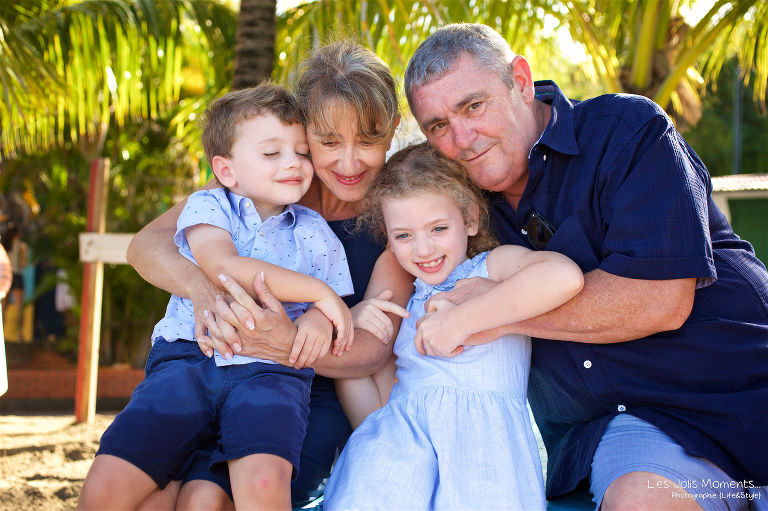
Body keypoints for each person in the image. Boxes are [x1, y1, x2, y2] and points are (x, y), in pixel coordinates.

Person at [400, 23, 768, 510]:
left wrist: (485, 312)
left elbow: (659, 300)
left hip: (748, 386)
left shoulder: (624, 130)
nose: (463, 138)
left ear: (521, 81)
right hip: (639, 431)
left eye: (473, 106)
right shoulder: (448, 208)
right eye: (438, 126)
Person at [124, 41, 412, 510]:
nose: (349, 162)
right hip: (210, 370)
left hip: (309, 393)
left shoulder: (397, 214)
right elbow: (146, 245)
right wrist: (203, 287)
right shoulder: (270, 181)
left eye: (369, 140)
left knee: (226, 501)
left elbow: (370, 351)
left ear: (393, 130)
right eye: (330, 142)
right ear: (304, 132)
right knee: (157, 496)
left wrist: (283, 343)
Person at [80, 83, 357, 510]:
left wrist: (319, 317)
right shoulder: (209, 207)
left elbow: (331, 310)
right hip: (189, 359)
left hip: (272, 374)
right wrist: (317, 292)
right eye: (271, 153)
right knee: (109, 480)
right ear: (226, 170)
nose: (293, 163)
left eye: (302, 153)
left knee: (264, 485)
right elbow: (222, 266)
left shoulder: (316, 232)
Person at [322, 143, 583, 510]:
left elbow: (563, 276)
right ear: (388, 236)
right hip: (399, 451)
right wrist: (351, 321)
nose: (423, 249)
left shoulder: (491, 268)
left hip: (483, 454)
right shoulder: (407, 300)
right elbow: (377, 396)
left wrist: (462, 320)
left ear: (470, 219)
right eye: (404, 236)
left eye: (439, 228)